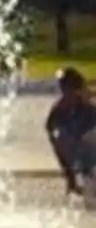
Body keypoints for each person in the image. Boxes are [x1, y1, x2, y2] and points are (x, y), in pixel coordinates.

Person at [46, 67, 96, 198]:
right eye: (64, 90)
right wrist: (70, 176)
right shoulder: (58, 114)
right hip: (82, 160)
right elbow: (56, 143)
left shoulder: (90, 109)